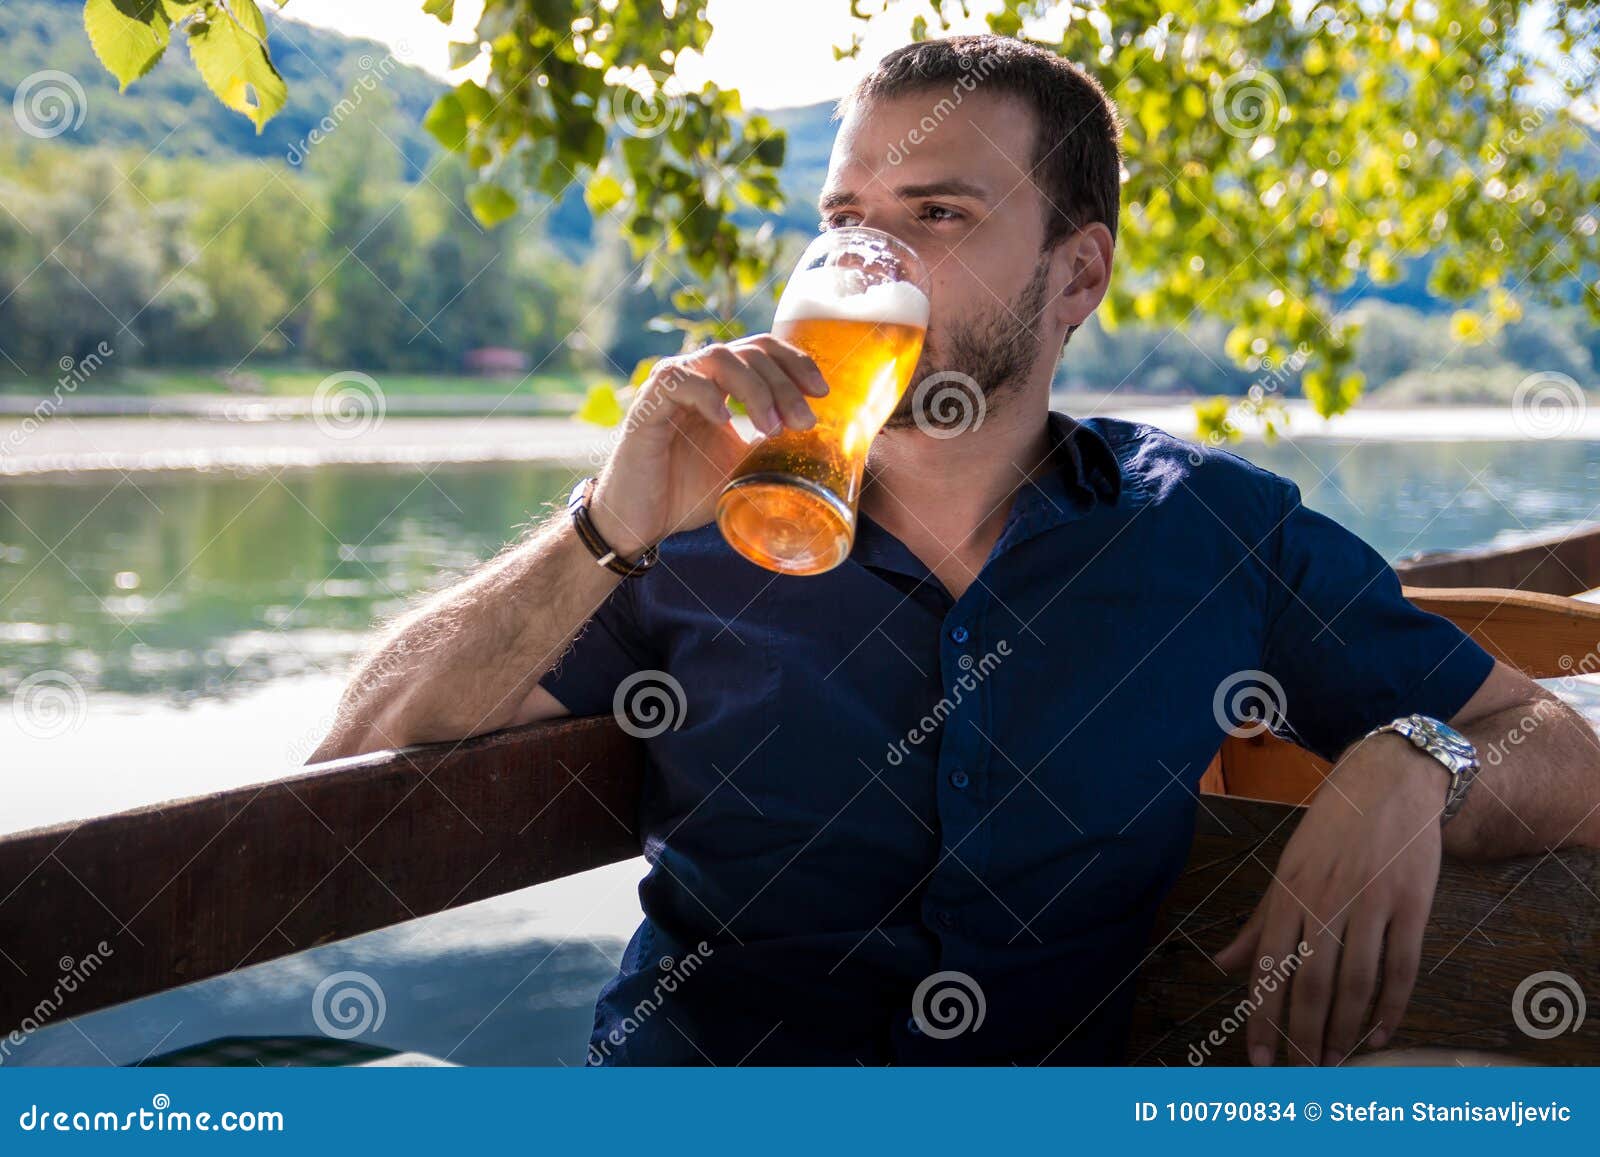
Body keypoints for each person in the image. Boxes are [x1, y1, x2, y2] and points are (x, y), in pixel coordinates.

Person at [311, 34, 1600, 1066]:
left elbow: (1563, 759)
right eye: (846, 216)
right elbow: (350, 764)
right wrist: (602, 526)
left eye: (936, 213)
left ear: (1077, 273)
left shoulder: (1208, 529)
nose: (869, 258)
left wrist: (1409, 757)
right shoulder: (687, 528)